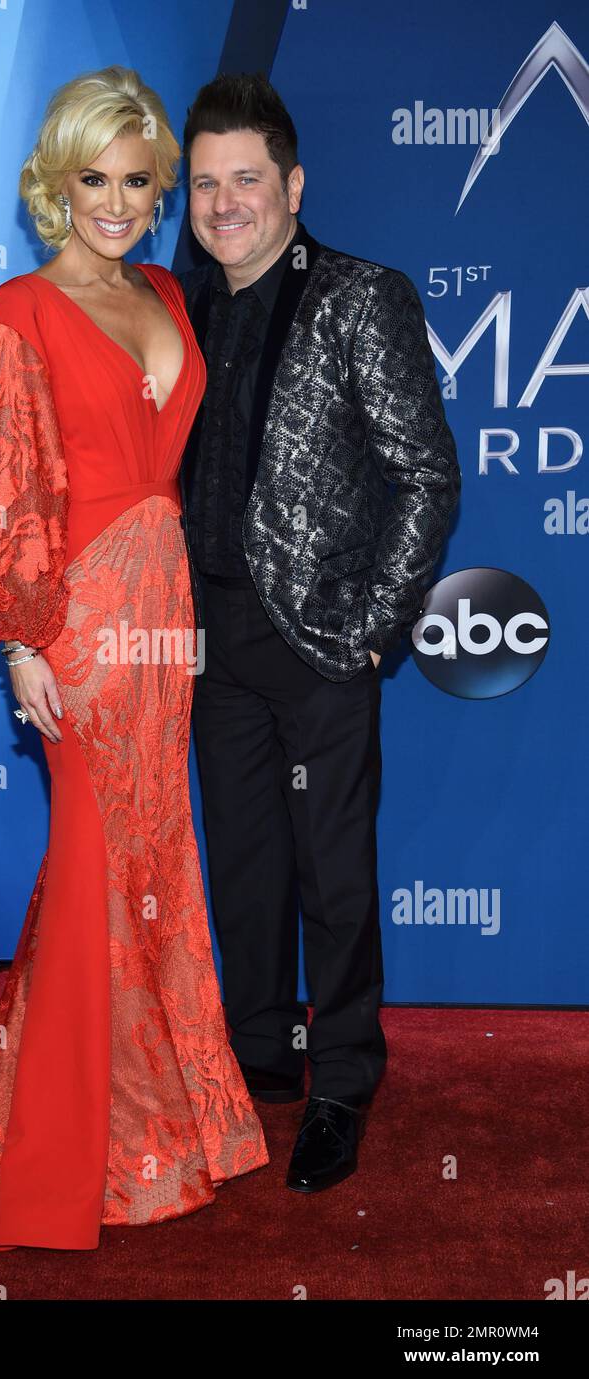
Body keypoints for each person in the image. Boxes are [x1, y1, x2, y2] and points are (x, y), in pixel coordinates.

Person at [0, 66, 267, 1251]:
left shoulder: (167, 297)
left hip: (163, 620)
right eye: (97, 178)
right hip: (80, 629)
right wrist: (24, 640)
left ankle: (161, 1123)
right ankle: (53, 1154)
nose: (121, 201)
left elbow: (168, 471)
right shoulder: (18, 312)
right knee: (94, 864)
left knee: (154, 856)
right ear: (57, 179)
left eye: (141, 181)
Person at [177, 74, 461, 1193]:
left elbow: (426, 476)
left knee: (332, 874)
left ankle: (340, 1080)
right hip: (210, 639)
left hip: (320, 640)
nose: (226, 201)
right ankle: (260, 1059)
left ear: (293, 184)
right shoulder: (181, 310)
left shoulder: (360, 294)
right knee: (244, 870)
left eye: (248, 178)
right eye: (206, 183)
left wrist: (369, 633)